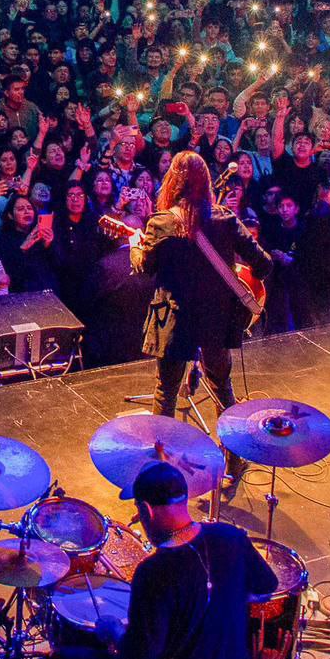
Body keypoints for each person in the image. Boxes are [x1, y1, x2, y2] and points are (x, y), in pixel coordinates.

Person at [129, 151, 272, 488]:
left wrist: (135, 245)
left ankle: (160, 471)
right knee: (223, 386)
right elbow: (264, 264)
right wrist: (232, 273)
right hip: (216, 318)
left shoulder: (161, 223)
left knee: (166, 392)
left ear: (173, 181)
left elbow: (144, 269)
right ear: (207, 182)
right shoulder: (224, 219)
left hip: (176, 319)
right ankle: (234, 462)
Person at [94, 461, 277, 659]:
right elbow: (267, 587)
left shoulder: (153, 573)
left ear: (147, 510)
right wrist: (225, 599)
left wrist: (115, 631)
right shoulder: (231, 536)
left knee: (79, 656)